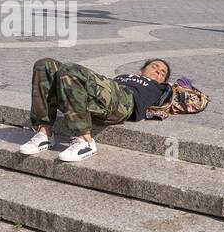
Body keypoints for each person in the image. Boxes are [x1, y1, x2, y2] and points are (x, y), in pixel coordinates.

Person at [20, 58, 172, 162]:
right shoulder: (124, 76)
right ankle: (44, 132)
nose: (158, 71)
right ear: (141, 70)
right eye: (154, 67)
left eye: (163, 72)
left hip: (125, 101)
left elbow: (191, 99)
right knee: (44, 64)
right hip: (106, 96)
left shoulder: (161, 88)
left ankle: (85, 141)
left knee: (70, 70)